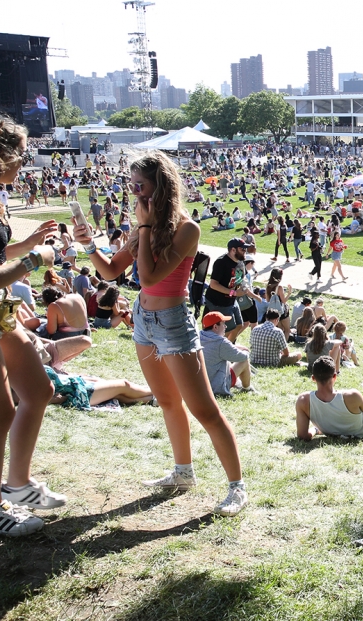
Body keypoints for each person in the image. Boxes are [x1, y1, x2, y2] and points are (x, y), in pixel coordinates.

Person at [75, 152, 247, 517]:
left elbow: (151, 277)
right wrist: (88, 244)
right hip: (143, 320)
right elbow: (109, 272)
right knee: (166, 401)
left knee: (205, 409)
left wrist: (144, 229)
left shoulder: (187, 228)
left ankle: (237, 487)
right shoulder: (143, 224)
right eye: (132, 184)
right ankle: (183, 472)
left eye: (141, 185)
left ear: (161, 186)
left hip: (172, 321)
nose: (134, 192)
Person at [0, 114, 67, 537]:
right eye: (20, 153)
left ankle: (19, 485)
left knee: (39, 389)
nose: (24, 161)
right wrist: (32, 261)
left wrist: (24, 246)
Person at [202, 238, 247, 343]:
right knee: (227, 328)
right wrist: (234, 292)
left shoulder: (240, 262)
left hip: (231, 300)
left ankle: (228, 346)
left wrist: (243, 286)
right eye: (242, 249)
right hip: (218, 302)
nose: (245, 251)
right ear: (233, 250)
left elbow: (241, 278)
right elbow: (213, 284)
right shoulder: (221, 262)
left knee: (240, 325)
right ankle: (218, 348)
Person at [200, 311, 254, 397]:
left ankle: (238, 383)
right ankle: (246, 388)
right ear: (215, 327)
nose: (226, 326)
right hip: (216, 387)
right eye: (223, 324)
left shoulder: (198, 336)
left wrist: (234, 347)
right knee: (244, 361)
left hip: (199, 386)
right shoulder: (221, 342)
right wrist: (245, 351)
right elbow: (242, 357)